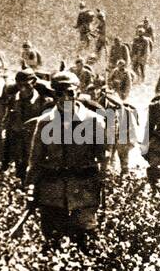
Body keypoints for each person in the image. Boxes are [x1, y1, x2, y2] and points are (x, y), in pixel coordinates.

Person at [24, 71, 106, 248]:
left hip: (83, 191)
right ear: (53, 95)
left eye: (69, 92)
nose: (64, 98)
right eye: (59, 93)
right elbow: (35, 160)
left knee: (86, 240)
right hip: (52, 191)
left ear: (78, 92)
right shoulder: (45, 122)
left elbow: (103, 159)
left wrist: (102, 186)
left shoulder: (95, 122)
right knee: (52, 239)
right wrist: (31, 191)